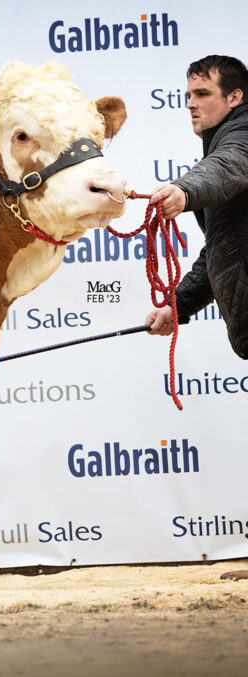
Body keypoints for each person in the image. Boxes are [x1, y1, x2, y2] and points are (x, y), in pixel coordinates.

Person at [145, 55, 248, 582]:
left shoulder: (242, 138)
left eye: (202, 93)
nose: (190, 104)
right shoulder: (220, 144)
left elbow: (227, 168)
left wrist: (184, 191)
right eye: (187, 95)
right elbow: (220, 252)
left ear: (235, 98)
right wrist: (177, 307)